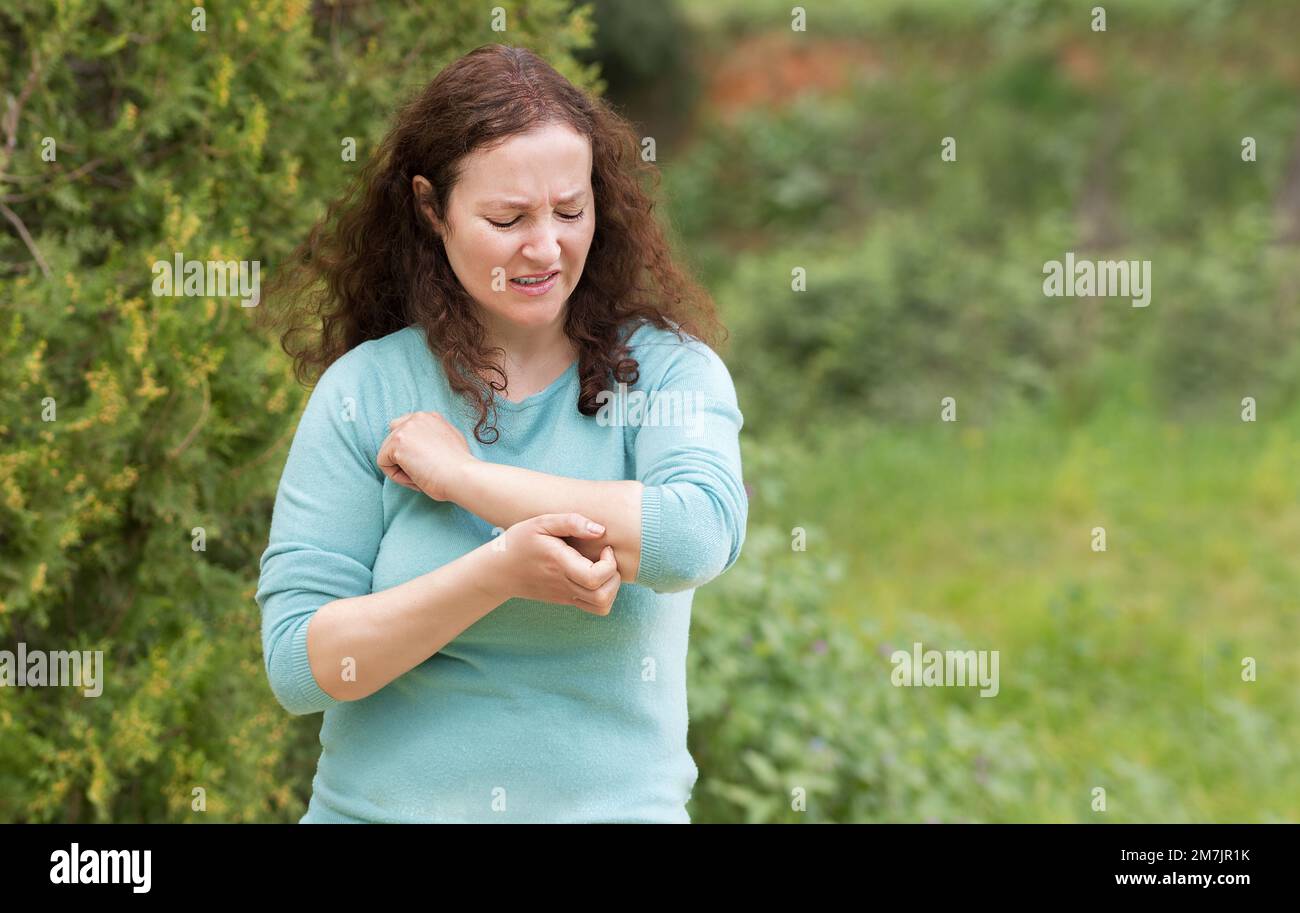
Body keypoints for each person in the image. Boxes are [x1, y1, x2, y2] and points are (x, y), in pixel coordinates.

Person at [254, 44, 747, 823]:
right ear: (430, 207)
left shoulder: (664, 373)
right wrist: (498, 572)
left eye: (570, 210)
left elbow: (693, 536)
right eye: (507, 218)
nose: (545, 247)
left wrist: (468, 481)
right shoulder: (366, 389)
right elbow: (301, 665)